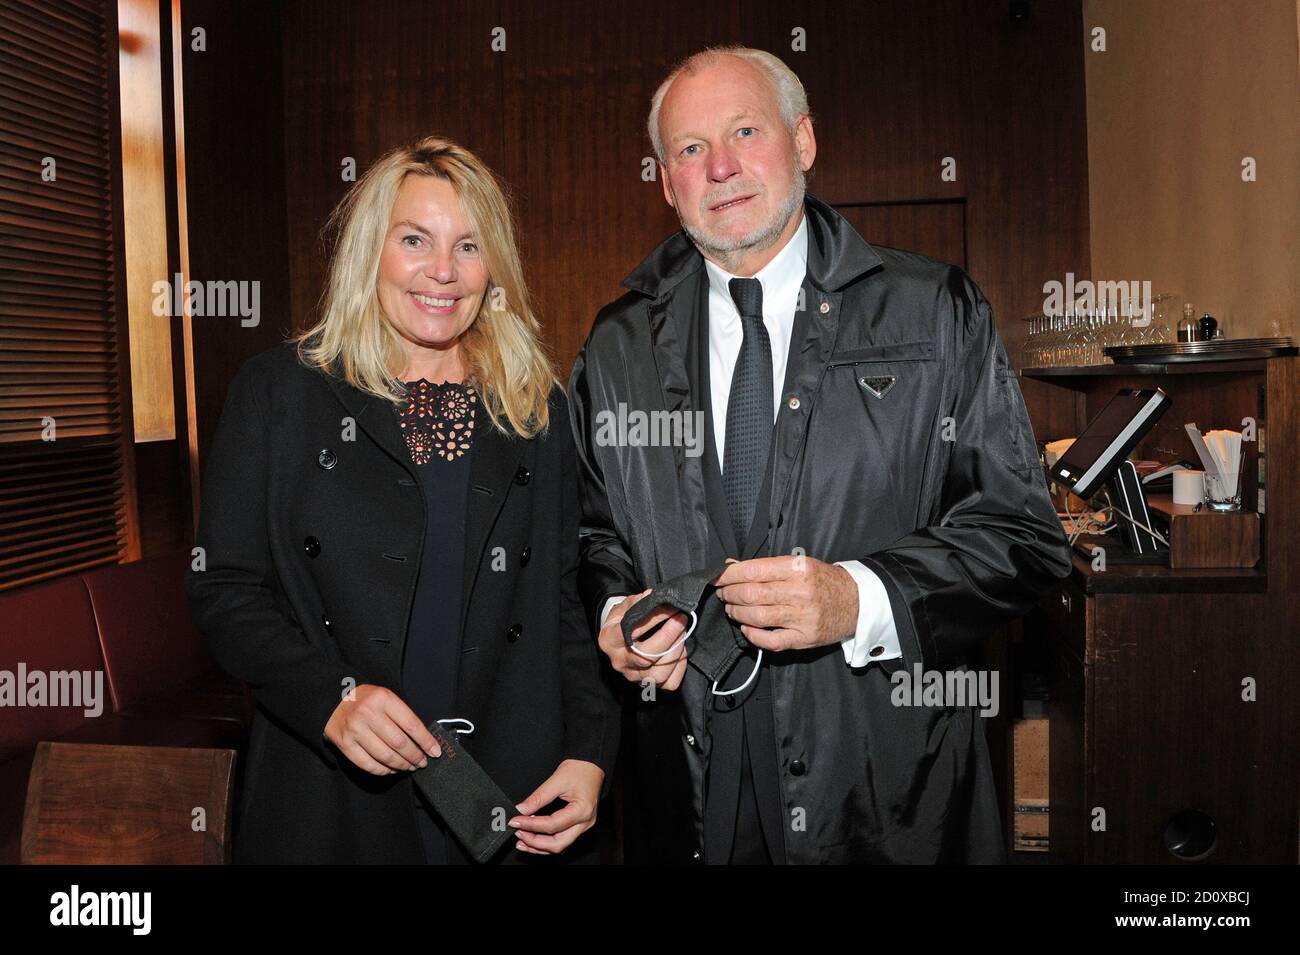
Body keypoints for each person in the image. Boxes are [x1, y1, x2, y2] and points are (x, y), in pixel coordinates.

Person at [568, 46, 1073, 864]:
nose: (721, 166)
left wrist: (860, 597)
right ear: (666, 182)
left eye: (744, 131)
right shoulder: (617, 342)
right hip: (685, 781)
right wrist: (615, 615)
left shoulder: (934, 312)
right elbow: (594, 535)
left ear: (802, 142)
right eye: (690, 149)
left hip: (880, 783)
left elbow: (1022, 536)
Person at [186, 136, 618, 864]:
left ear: (495, 267)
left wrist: (590, 750)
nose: (442, 272)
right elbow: (223, 589)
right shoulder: (279, 393)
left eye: (469, 246)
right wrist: (331, 698)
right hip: (332, 794)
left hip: (507, 788)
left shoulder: (534, 407)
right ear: (369, 252)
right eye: (414, 239)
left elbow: (563, 602)